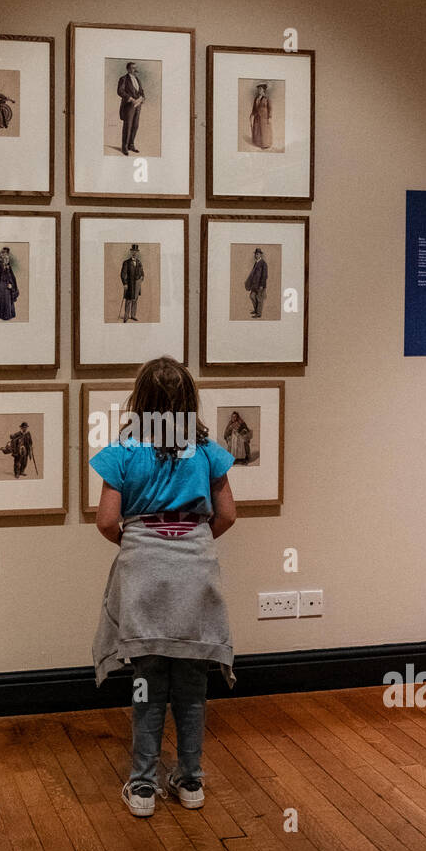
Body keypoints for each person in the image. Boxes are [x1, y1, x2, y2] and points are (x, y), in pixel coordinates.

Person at [90, 356, 237, 817]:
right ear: (189, 402)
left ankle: (143, 788)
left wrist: (142, 543)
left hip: (144, 571)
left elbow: (108, 522)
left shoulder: (123, 453)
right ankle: (191, 781)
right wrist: (189, 542)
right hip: (195, 569)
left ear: (141, 402)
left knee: (147, 681)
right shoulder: (209, 453)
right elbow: (227, 515)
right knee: (193, 681)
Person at [117, 61, 145, 155]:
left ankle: (131, 145)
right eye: (133, 68)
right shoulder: (123, 79)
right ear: (128, 69)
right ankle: (124, 147)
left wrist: (142, 97)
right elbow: (120, 91)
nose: (135, 69)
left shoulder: (138, 79)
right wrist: (130, 98)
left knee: (135, 125)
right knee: (127, 126)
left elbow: (141, 91)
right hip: (129, 106)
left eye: (135, 68)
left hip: (138, 106)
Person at [120, 243, 144, 322]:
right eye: (133, 251)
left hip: (137, 284)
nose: (134, 253)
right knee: (128, 300)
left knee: (135, 300)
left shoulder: (139, 263)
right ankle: (126, 316)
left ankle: (133, 315)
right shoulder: (126, 262)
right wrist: (125, 283)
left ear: (137, 253)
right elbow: (123, 274)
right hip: (130, 284)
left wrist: (142, 277)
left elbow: (142, 272)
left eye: (136, 251)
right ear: (131, 252)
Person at [244, 247, 268, 318]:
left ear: (260, 255)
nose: (256, 256)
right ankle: (256, 310)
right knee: (252, 296)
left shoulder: (263, 263)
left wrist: (261, 285)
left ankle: (258, 314)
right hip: (254, 285)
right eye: (255, 254)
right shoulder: (256, 263)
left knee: (259, 299)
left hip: (260, 285)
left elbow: (264, 276)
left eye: (257, 254)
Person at [250, 82, 272, 149]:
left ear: (263, 90)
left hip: (264, 117)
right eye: (258, 89)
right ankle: (257, 143)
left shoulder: (266, 99)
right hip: (257, 116)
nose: (259, 90)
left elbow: (270, 108)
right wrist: (252, 114)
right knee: (257, 130)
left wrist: (269, 116)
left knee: (264, 131)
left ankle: (265, 144)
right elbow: (254, 107)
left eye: (260, 89)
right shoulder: (256, 98)